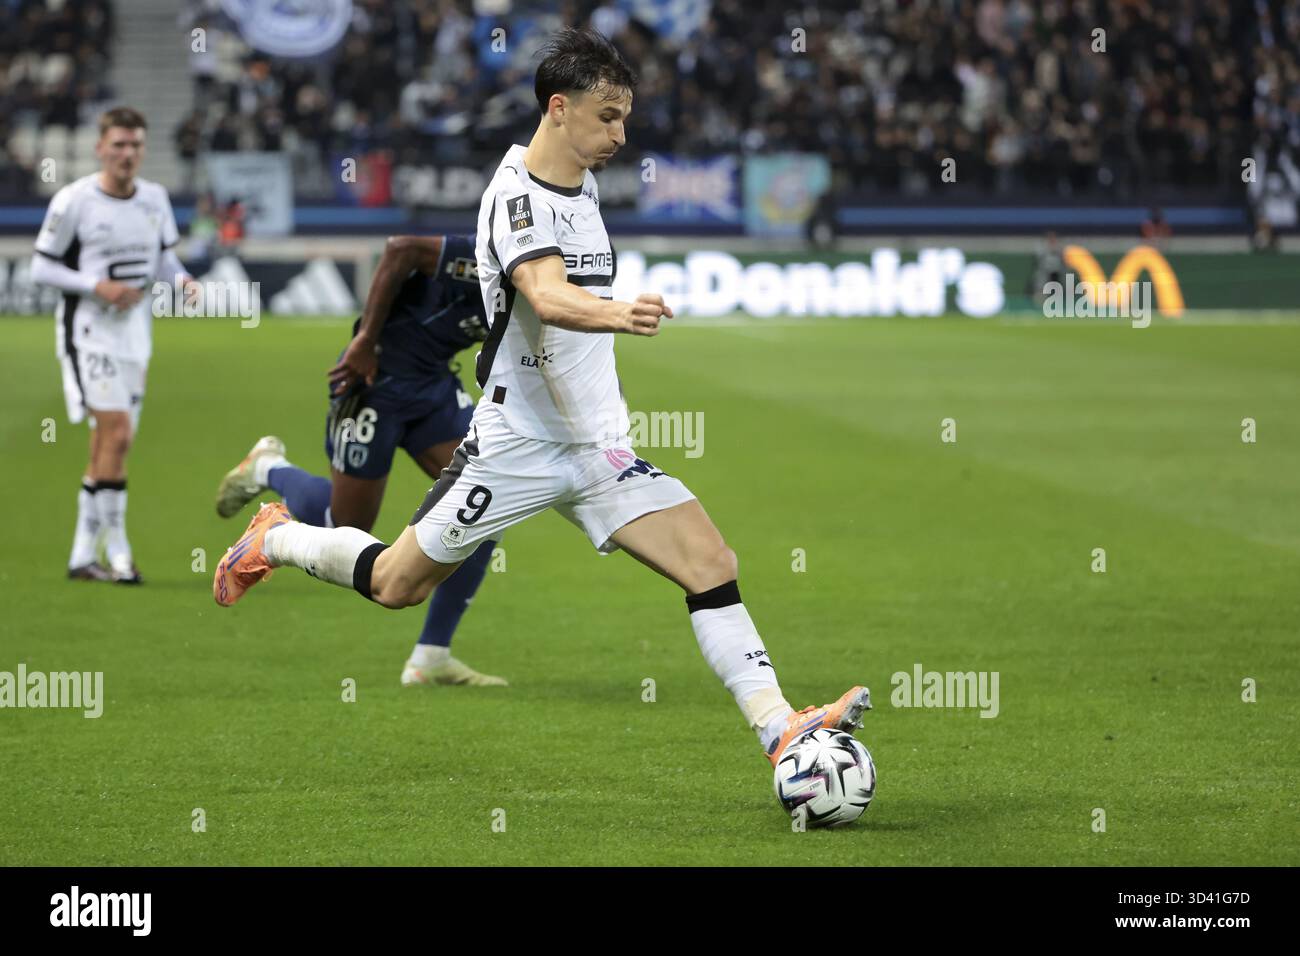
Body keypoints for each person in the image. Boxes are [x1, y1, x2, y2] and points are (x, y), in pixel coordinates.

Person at [213, 28, 869, 769]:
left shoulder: (580, 183)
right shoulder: (514, 197)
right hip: (515, 445)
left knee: (711, 560)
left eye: (625, 117)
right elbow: (546, 294)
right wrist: (620, 311)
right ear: (558, 108)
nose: (622, 134)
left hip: (597, 446)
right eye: (608, 116)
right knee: (396, 583)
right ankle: (275, 537)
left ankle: (780, 728)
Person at [212, 233, 505, 687]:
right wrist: (366, 338)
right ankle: (268, 468)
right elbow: (399, 248)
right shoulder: (486, 257)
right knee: (343, 526)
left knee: (488, 502)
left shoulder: (541, 284)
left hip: (432, 389)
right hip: (373, 378)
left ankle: (431, 657)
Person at [31, 106, 196, 583]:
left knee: (110, 443)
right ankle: (120, 552)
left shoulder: (155, 199)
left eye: (136, 145)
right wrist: (95, 286)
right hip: (88, 334)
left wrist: (183, 279)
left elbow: (165, 256)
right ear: (100, 148)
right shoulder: (74, 201)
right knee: (118, 433)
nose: (127, 154)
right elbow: (42, 266)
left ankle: (82, 555)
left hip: (134, 338)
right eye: (119, 145)